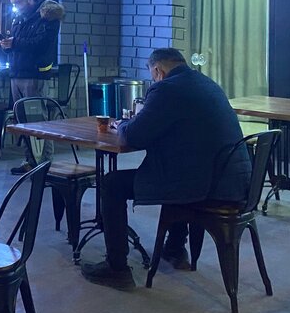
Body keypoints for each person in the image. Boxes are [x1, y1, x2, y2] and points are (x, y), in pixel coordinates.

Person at [81, 48, 253, 289]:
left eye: (152, 74)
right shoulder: (206, 83)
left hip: (207, 184)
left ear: (158, 70)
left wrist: (121, 125)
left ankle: (116, 268)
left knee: (111, 184)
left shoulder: (166, 89)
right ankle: (174, 248)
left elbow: (134, 137)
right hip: (235, 180)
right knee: (179, 168)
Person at [0, 0, 65, 172]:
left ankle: (44, 161)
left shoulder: (47, 16)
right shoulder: (19, 18)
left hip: (34, 74)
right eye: (13, 2)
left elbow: (42, 43)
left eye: (18, 1)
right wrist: (6, 46)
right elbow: (18, 45)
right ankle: (30, 160)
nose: (15, 5)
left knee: (38, 119)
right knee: (23, 121)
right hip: (17, 72)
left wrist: (15, 42)